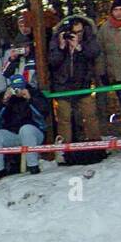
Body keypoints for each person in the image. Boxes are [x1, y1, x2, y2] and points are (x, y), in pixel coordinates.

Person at [47, 14, 102, 150]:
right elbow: (52, 62)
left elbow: (94, 53)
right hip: (62, 84)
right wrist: (61, 47)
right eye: (73, 32)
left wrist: (79, 47)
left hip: (83, 82)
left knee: (90, 115)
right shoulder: (58, 38)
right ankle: (65, 150)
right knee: (64, 118)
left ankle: (96, 145)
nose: (76, 34)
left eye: (79, 31)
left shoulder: (89, 37)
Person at [0, 75, 51, 179]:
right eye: (15, 88)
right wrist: (3, 102)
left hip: (34, 133)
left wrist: (30, 100)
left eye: (20, 87)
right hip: (13, 134)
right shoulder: (5, 96)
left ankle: (33, 166)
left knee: (26, 129)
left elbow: (44, 112)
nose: (18, 91)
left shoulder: (34, 92)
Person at [96, 0, 121, 135]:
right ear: (112, 12)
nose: (119, 12)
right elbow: (100, 53)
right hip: (118, 75)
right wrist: (103, 73)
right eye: (116, 10)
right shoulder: (104, 29)